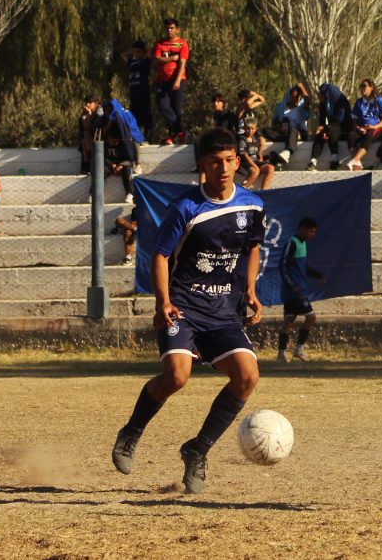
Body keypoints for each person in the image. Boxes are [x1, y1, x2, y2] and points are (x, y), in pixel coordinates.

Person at [110, 127, 266, 495]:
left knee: (248, 376)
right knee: (177, 376)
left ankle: (198, 449)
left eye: (230, 160)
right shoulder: (186, 207)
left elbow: (254, 247)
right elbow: (161, 255)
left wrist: (251, 289)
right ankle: (131, 430)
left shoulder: (253, 205)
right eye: (216, 161)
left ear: (238, 162)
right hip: (183, 307)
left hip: (224, 311)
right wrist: (162, 301)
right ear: (202, 165)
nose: (224, 168)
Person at [277, 218, 326, 363]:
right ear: (302, 229)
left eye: (314, 232)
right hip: (294, 291)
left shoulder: (303, 244)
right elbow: (282, 266)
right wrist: (292, 284)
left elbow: (303, 267)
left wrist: (318, 275)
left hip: (297, 290)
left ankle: (281, 355)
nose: (313, 235)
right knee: (311, 317)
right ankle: (299, 349)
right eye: (311, 231)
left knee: (289, 321)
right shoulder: (291, 242)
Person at [152, 18, 189, 145]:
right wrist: (172, 58)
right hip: (162, 81)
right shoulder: (160, 44)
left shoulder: (182, 44)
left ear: (177, 29)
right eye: (167, 28)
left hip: (177, 80)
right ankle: (180, 131)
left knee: (176, 110)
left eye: (172, 28)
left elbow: (182, 63)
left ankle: (172, 136)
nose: (169, 30)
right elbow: (156, 59)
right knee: (163, 107)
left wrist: (177, 81)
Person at [346, 78, 382, 171]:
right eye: (360, 87)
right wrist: (357, 127)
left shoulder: (380, 101)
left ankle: (354, 160)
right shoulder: (359, 102)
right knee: (350, 135)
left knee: (369, 135)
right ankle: (357, 162)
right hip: (361, 129)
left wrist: (374, 127)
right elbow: (353, 119)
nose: (362, 88)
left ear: (371, 88)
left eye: (364, 86)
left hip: (376, 129)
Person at [264, 83, 310, 167]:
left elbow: (307, 100)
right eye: (293, 97)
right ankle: (273, 155)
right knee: (265, 130)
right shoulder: (280, 107)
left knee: (292, 130)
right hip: (284, 133)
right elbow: (275, 123)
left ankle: (287, 152)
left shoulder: (301, 108)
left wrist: (301, 87)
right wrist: (279, 126)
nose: (296, 99)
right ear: (289, 96)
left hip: (298, 132)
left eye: (298, 97)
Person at [310, 83, 350, 171]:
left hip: (343, 128)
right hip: (331, 127)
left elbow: (339, 120)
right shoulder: (323, 103)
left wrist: (325, 128)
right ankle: (312, 162)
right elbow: (322, 119)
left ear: (326, 94)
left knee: (331, 129)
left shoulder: (341, 101)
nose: (319, 95)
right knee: (320, 134)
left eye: (320, 93)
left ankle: (334, 160)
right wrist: (322, 129)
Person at [122, 40, 153, 143]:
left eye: (139, 51)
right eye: (135, 52)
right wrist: (132, 51)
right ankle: (138, 138)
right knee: (135, 117)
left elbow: (150, 52)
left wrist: (144, 50)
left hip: (143, 94)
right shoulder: (131, 62)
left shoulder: (145, 61)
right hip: (133, 95)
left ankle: (148, 136)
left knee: (146, 116)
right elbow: (123, 54)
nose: (136, 54)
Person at [238, 119, 275, 190]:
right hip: (245, 163)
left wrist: (260, 156)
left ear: (255, 129)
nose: (250, 131)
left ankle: (264, 191)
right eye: (248, 129)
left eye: (252, 129)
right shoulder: (242, 140)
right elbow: (245, 156)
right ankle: (243, 189)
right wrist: (255, 166)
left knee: (270, 168)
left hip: (254, 161)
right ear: (244, 128)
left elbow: (255, 152)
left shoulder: (254, 138)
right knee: (255, 172)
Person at [79, 95, 100, 175]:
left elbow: (89, 127)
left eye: (90, 102)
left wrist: (89, 114)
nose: (87, 104)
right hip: (85, 140)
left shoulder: (99, 113)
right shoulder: (84, 114)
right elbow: (84, 127)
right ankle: (86, 168)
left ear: (95, 104)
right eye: (86, 102)